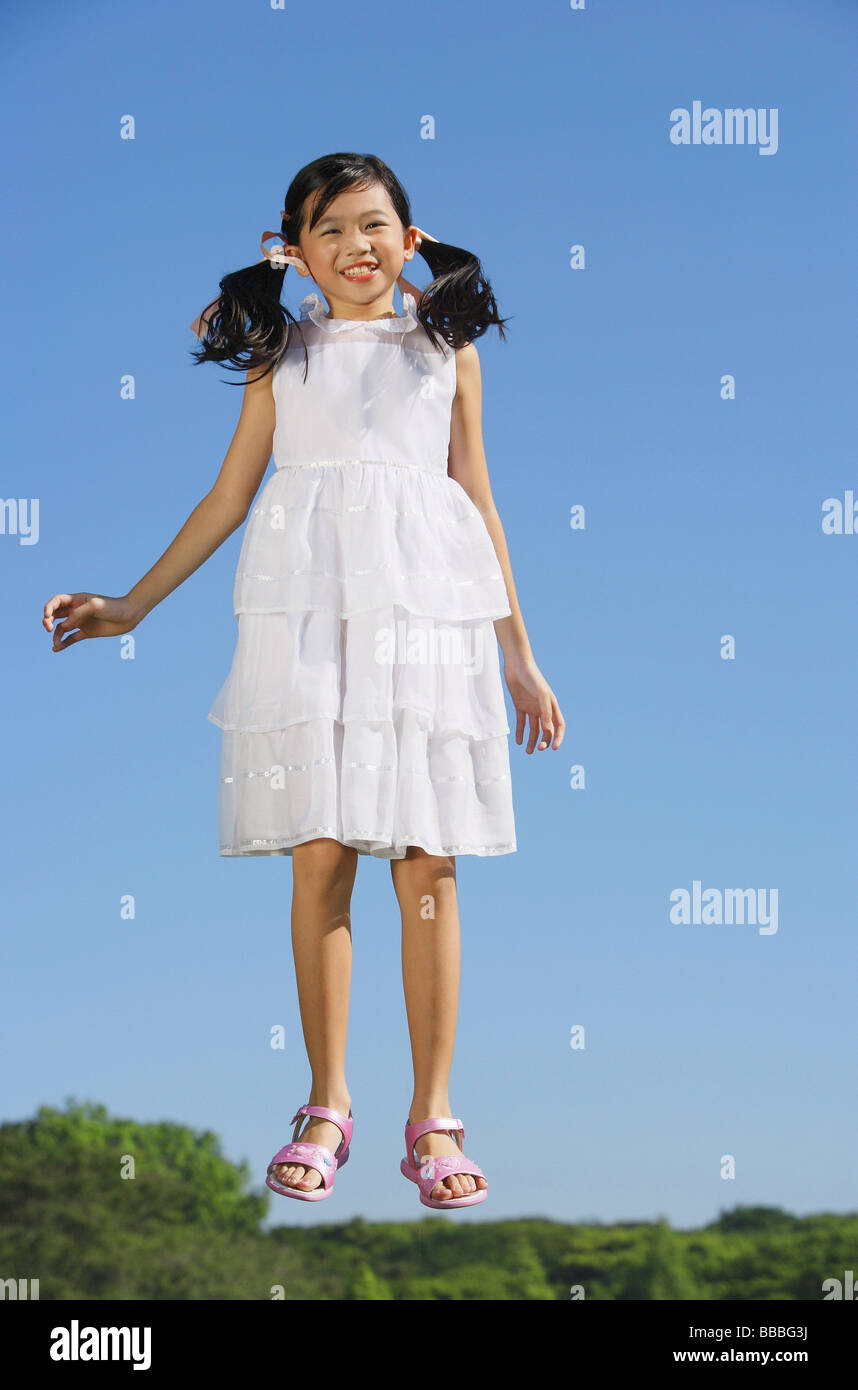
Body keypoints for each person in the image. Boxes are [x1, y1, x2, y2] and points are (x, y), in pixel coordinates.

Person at [42, 152, 565, 1210]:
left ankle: (434, 1116)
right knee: (319, 851)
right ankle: (327, 1103)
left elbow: (478, 501)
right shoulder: (281, 354)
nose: (357, 246)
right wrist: (133, 605)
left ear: (410, 240)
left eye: (375, 226)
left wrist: (519, 653)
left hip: (424, 613)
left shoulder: (447, 349)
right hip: (309, 613)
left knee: (427, 863)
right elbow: (231, 495)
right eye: (331, 230)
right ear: (296, 249)